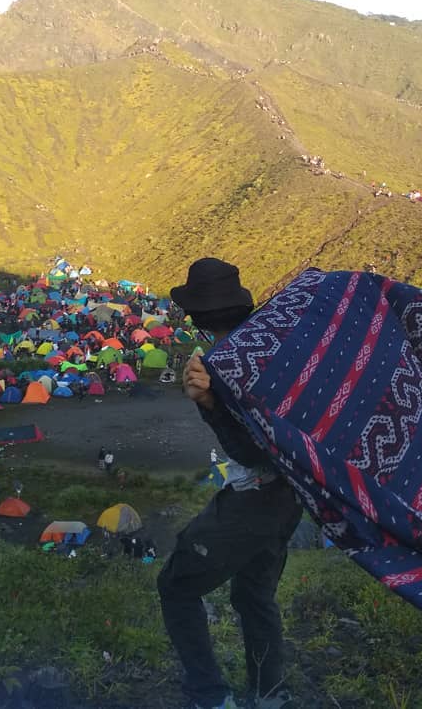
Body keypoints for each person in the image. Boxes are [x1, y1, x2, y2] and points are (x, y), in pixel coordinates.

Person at [158, 258, 302, 709]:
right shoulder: (270, 346)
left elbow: (251, 450)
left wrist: (207, 402)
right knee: (254, 595)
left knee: (176, 587)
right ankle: (268, 693)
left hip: (254, 499)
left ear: (200, 318)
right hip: (289, 497)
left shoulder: (227, 363)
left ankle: (210, 697)